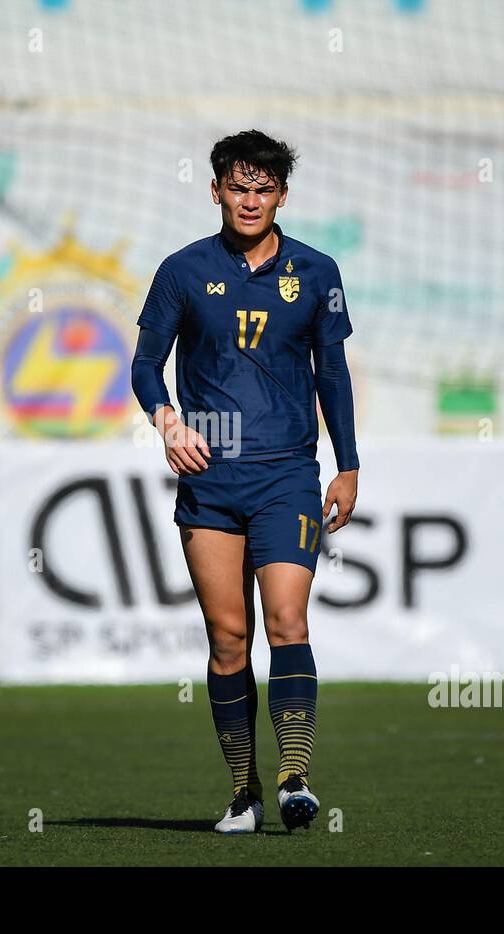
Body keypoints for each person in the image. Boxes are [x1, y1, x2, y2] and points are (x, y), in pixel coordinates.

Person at [130, 129, 360, 833]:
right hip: (210, 482)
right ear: (216, 191)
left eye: (264, 189)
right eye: (238, 187)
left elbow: (333, 373)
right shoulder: (182, 270)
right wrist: (168, 423)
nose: (250, 200)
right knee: (229, 638)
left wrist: (347, 464)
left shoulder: (316, 271)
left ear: (282, 195)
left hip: (288, 474)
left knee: (288, 618)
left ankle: (294, 776)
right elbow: (144, 365)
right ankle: (243, 793)